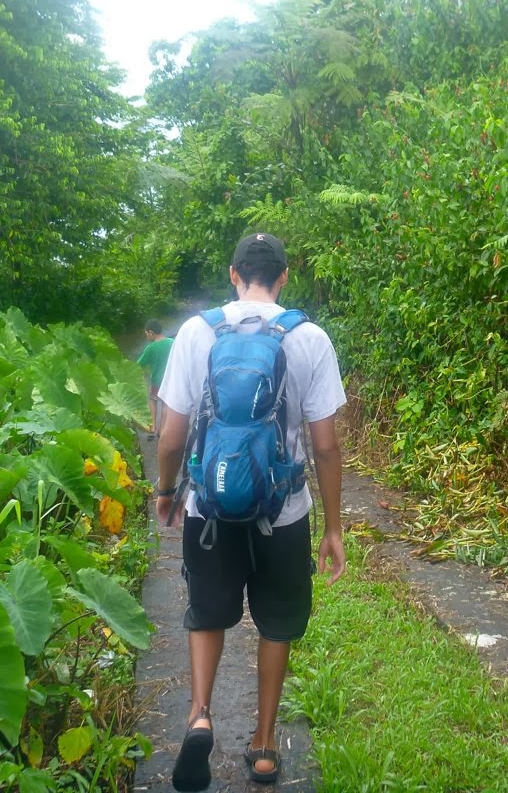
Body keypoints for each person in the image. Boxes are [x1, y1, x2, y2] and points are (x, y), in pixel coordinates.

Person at [155, 232, 347, 791]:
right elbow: (327, 446)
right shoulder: (308, 337)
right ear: (284, 277)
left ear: (233, 273)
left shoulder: (196, 331)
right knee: (277, 623)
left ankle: (199, 714)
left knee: (207, 612)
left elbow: (170, 437)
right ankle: (263, 747)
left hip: (209, 507)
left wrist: (168, 492)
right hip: (282, 512)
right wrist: (333, 527)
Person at [136, 319, 175, 435]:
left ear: (151, 332)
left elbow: (138, 365)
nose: (146, 336)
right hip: (169, 380)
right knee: (165, 403)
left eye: (146, 333)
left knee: (153, 400)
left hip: (156, 381)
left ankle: (153, 426)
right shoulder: (172, 342)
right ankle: (162, 429)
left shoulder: (151, 348)